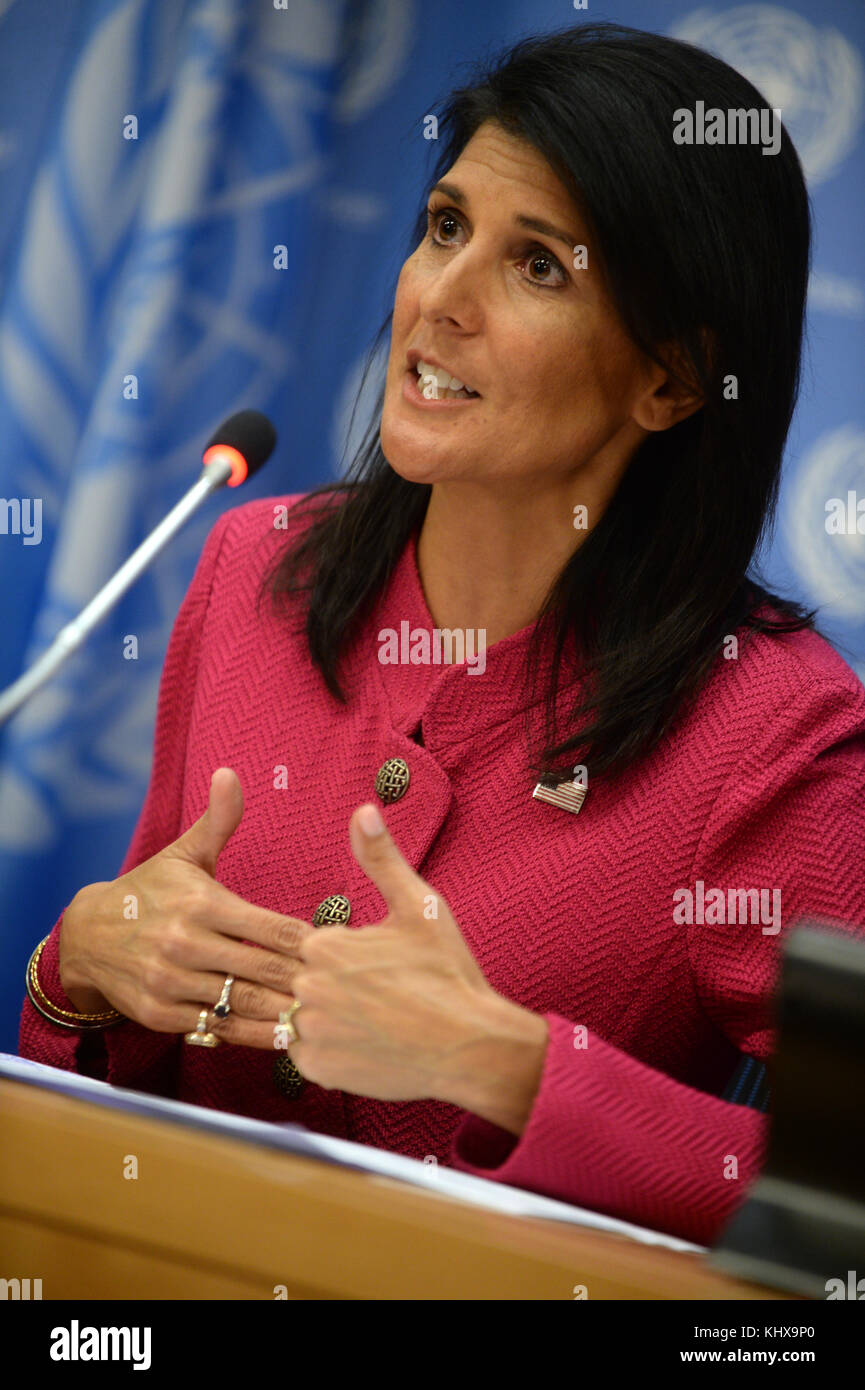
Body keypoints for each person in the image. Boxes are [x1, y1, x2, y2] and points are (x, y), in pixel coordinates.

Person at [19, 23, 865, 1247]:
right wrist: (83, 966)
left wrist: (511, 1066)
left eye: (539, 268)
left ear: (672, 380)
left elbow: (838, 1193)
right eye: (446, 227)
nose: (442, 303)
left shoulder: (771, 727)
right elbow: (126, 1026)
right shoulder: (251, 566)